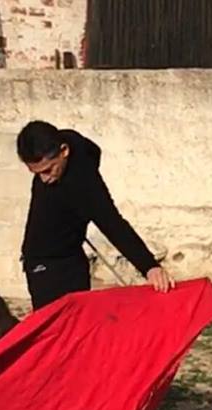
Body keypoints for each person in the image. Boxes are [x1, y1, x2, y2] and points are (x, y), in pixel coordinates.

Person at [16, 120, 174, 311]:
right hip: (41, 263)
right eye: (36, 173)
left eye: (48, 169)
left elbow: (112, 223)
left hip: (70, 260)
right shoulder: (68, 141)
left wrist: (149, 267)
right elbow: (92, 151)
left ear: (64, 151)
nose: (44, 179)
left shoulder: (83, 182)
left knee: (77, 322)